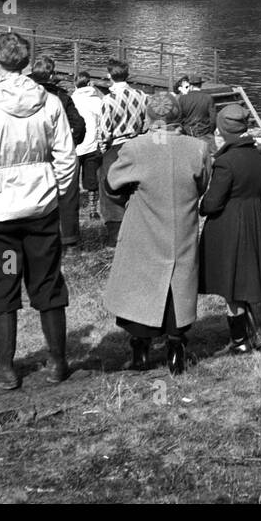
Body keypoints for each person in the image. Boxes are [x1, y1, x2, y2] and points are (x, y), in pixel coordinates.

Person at [0, 32, 77, 390]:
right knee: (46, 281)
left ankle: (5, 368)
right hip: (40, 209)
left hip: (2, 216)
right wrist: (52, 186)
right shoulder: (51, 103)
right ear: (26, 62)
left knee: (5, 280)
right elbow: (67, 158)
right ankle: (57, 362)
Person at [103, 93, 212, 375]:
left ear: (149, 118)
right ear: (179, 118)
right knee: (179, 284)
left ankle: (140, 352)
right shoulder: (197, 148)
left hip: (145, 226)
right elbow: (202, 185)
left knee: (140, 283)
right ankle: (177, 350)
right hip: (181, 226)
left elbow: (112, 184)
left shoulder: (135, 148)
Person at [199, 104, 261, 356]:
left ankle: (240, 341)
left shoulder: (225, 162)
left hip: (229, 223)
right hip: (254, 218)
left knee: (231, 284)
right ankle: (252, 333)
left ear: (224, 130)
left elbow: (212, 203)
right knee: (244, 280)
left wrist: (201, 205)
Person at [30, 55, 86, 249]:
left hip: (32, 151)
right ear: (52, 74)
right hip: (59, 149)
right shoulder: (61, 96)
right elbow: (78, 125)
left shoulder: (26, 93)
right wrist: (71, 142)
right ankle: (69, 239)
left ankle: (39, 237)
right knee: (68, 195)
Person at [96, 60, 149, 247]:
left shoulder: (108, 100)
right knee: (135, 188)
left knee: (110, 191)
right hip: (136, 144)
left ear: (109, 75)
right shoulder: (142, 95)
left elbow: (104, 131)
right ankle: (137, 230)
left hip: (115, 145)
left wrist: (103, 150)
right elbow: (146, 124)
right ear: (128, 75)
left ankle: (115, 237)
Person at [71, 70, 107, 219]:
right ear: (89, 83)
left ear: (75, 84)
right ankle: (93, 210)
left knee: (72, 179)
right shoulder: (97, 101)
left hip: (74, 144)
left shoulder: (71, 100)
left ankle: (72, 207)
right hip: (92, 144)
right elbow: (103, 121)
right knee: (91, 179)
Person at [176, 73, 216, 140]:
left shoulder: (182, 98)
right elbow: (213, 119)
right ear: (200, 85)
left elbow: (179, 118)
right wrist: (211, 131)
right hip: (205, 132)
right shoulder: (208, 98)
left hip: (188, 132)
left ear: (190, 86)